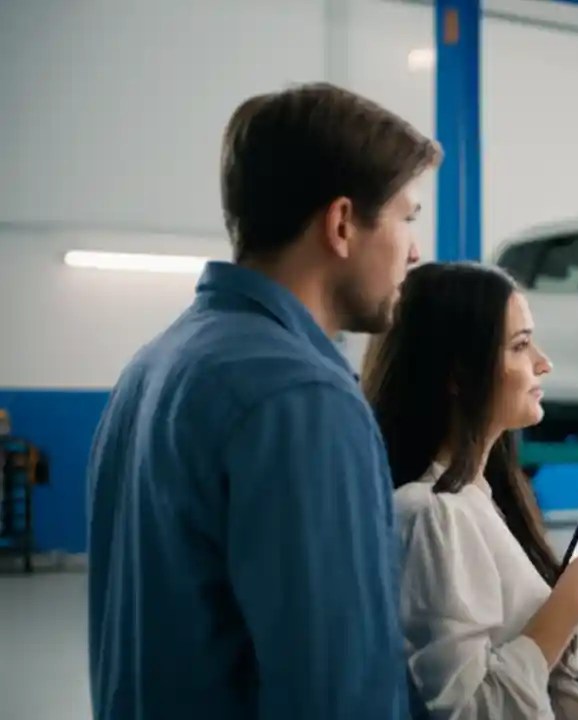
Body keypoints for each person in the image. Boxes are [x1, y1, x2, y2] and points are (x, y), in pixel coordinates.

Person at [86, 82, 439, 719]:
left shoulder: (155, 366)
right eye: (405, 218)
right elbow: (336, 693)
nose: (415, 250)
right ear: (340, 225)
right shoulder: (301, 397)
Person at [361, 262, 578, 720]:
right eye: (520, 346)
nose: (543, 362)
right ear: (458, 375)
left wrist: (575, 604)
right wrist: (568, 602)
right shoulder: (431, 514)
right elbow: (472, 710)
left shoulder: (478, 496)